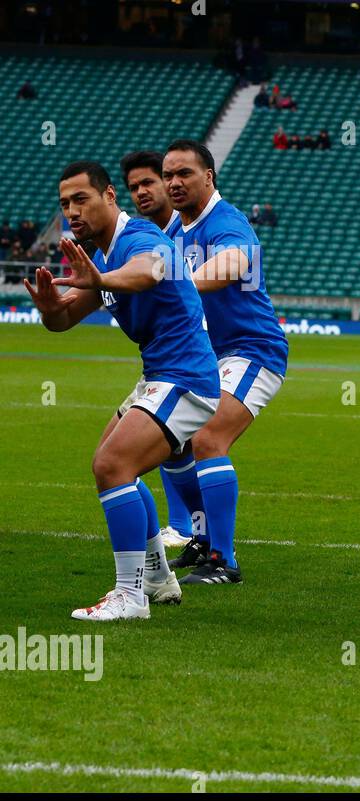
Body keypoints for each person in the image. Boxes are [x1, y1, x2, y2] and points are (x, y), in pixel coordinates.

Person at [26, 161, 220, 619]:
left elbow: (150, 271)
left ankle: (129, 597)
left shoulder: (137, 239)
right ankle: (155, 576)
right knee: (114, 468)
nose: (72, 211)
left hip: (186, 378)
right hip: (161, 376)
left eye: (81, 199)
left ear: (109, 196)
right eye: (64, 204)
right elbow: (64, 321)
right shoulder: (105, 253)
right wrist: (51, 309)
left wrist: (101, 280)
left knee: (112, 464)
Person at [160, 140, 290, 587]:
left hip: (252, 349)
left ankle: (223, 559)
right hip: (206, 356)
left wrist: (179, 288)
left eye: (185, 174)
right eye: (168, 175)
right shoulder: (175, 230)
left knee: (209, 435)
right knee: (172, 438)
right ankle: (201, 538)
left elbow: (234, 262)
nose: (174, 183)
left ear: (209, 177)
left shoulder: (227, 221)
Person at [119, 150, 191, 546]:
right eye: (135, 187)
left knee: (197, 437)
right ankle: (184, 527)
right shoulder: (146, 236)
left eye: (150, 182)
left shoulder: (184, 231)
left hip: (200, 356)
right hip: (168, 359)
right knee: (172, 439)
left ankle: (210, 542)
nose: (142, 192)